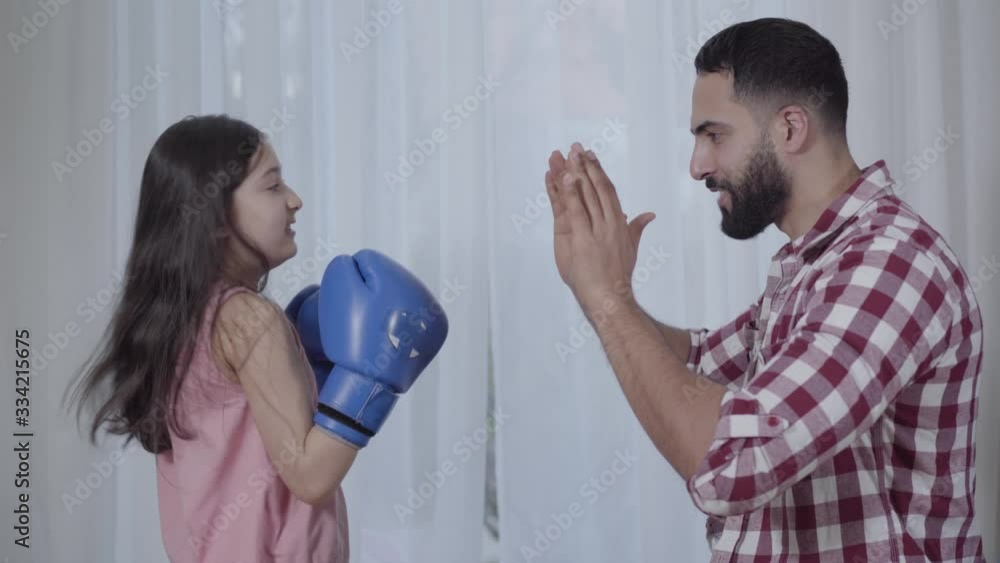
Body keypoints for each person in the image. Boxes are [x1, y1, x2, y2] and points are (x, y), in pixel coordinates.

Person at [546, 18, 984, 562]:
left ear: (790, 129)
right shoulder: (821, 263)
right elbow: (700, 364)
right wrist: (606, 287)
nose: (697, 166)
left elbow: (735, 462)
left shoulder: (892, 263)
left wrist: (607, 300)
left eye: (714, 135)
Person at [67, 114, 447, 562]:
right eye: (272, 187)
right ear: (215, 219)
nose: (294, 200)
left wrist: (312, 373)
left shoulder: (187, 318)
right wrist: (372, 379)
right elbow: (308, 477)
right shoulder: (248, 320)